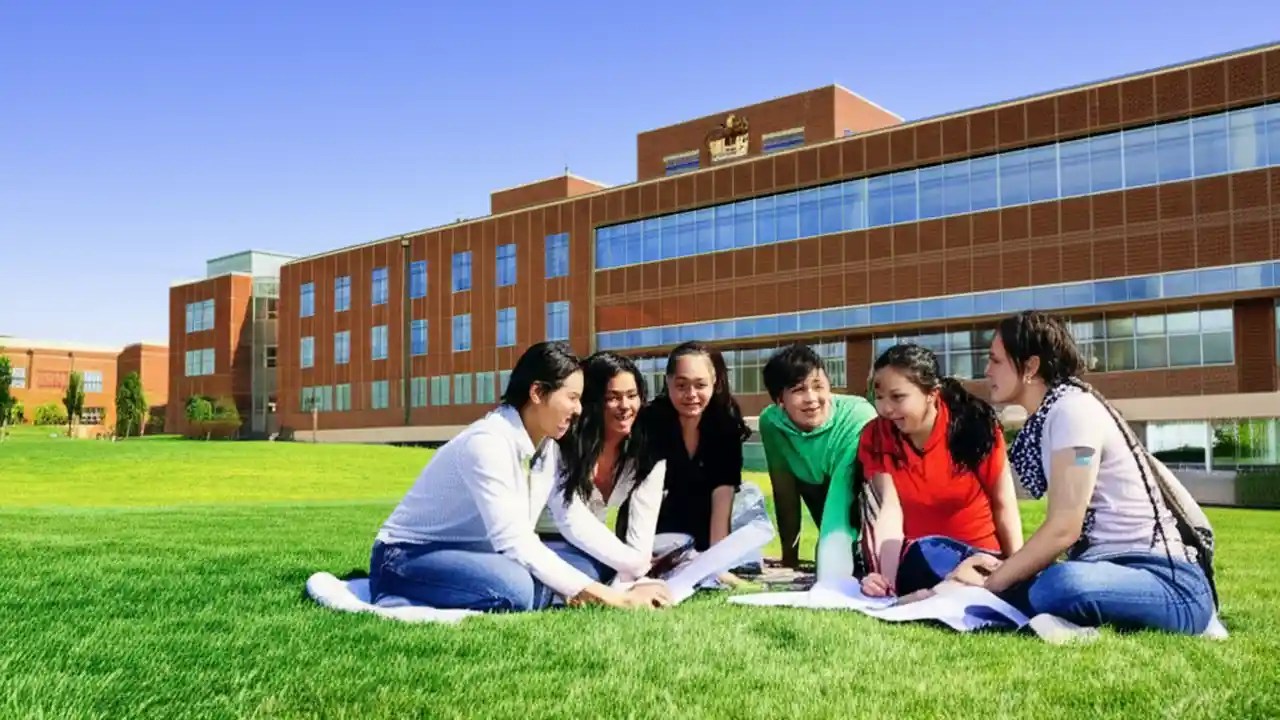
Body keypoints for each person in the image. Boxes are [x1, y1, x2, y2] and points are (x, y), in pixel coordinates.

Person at [938, 310, 1218, 635]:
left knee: (1059, 584)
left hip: (1170, 584)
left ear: (1030, 367)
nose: (987, 371)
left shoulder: (1073, 411)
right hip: (1107, 571)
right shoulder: (1053, 414)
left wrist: (992, 583)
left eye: (995, 360)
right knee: (1040, 578)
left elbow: (1063, 529)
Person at [368, 342, 672, 613]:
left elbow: (569, 517)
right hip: (405, 556)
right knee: (516, 589)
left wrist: (635, 568)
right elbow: (515, 541)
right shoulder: (487, 443)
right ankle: (401, 591)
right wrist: (614, 598)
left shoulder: (546, 447)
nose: (579, 410)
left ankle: (548, 592)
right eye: (572, 398)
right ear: (537, 392)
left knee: (588, 566)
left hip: (478, 552)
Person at [857, 343, 1023, 598]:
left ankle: (953, 587)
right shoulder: (876, 435)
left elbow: (1003, 503)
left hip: (981, 556)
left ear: (931, 394)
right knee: (923, 554)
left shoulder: (975, 426)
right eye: (879, 398)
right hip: (920, 558)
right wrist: (886, 582)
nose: (886, 409)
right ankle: (945, 589)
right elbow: (890, 508)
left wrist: (1017, 571)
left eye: (898, 397)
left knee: (947, 559)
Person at [534, 352, 667, 585]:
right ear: (592, 402)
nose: (625, 406)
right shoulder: (559, 446)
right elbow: (569, 520)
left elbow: (641, 541)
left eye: (632, 395)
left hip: (592, 552)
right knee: (593, 569)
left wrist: (631, 576)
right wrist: (633, 566)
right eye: (613, 397)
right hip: (543, 544)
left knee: (602, 568)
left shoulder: (647, 456)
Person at [757, 343, 877, 582]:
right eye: (799, 390)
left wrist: (828, 570)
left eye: (818, 386)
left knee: (852, 565)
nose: (812, 399)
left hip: (862, 498)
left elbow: (842, 499)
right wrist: (789, 561)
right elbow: (784, 493)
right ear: (780, 399)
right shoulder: (771, 423)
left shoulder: (858, 416)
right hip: (819, 489)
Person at [640, 341, 751, 553]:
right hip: (654, 527)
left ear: (714, 382)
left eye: (700, 385)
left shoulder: (725, 426)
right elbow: (642, 494)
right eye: (682, 385)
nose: (691, 395)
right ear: (668, 381)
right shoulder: (650, 421)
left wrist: (717, 561)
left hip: (706, 527)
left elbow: (723, 493)